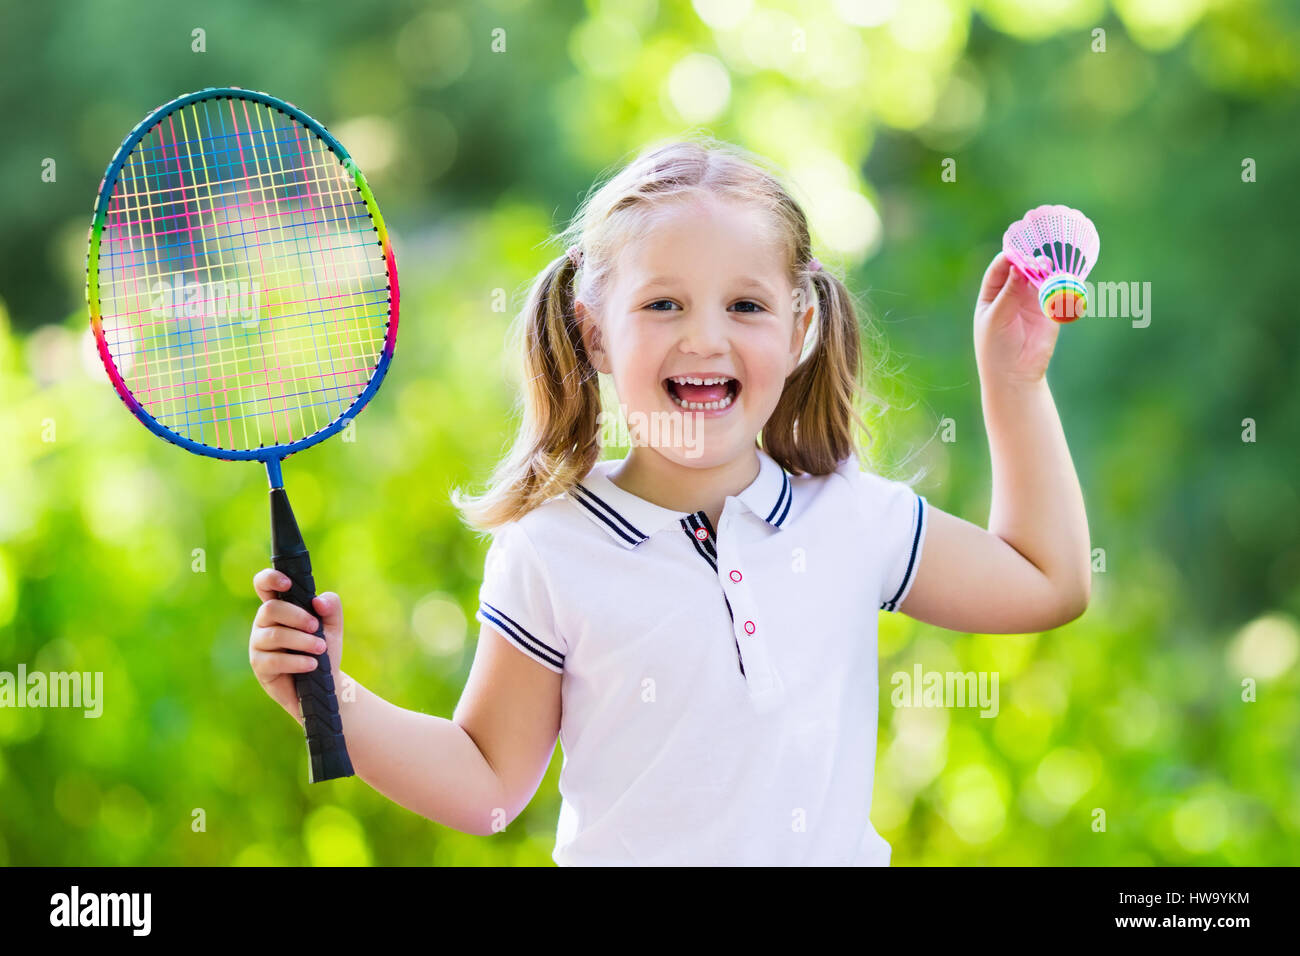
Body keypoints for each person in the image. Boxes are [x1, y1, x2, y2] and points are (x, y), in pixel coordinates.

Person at [248, 136, 1091, 865]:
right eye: (663, 304)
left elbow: (1048, 582)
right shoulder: (552, 547)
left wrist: (1013, 382)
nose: (705, 336)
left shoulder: (851, 518)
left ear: (800, 331)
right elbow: (488, 787)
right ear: (594, 333)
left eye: (746, 305)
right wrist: (330, 696)